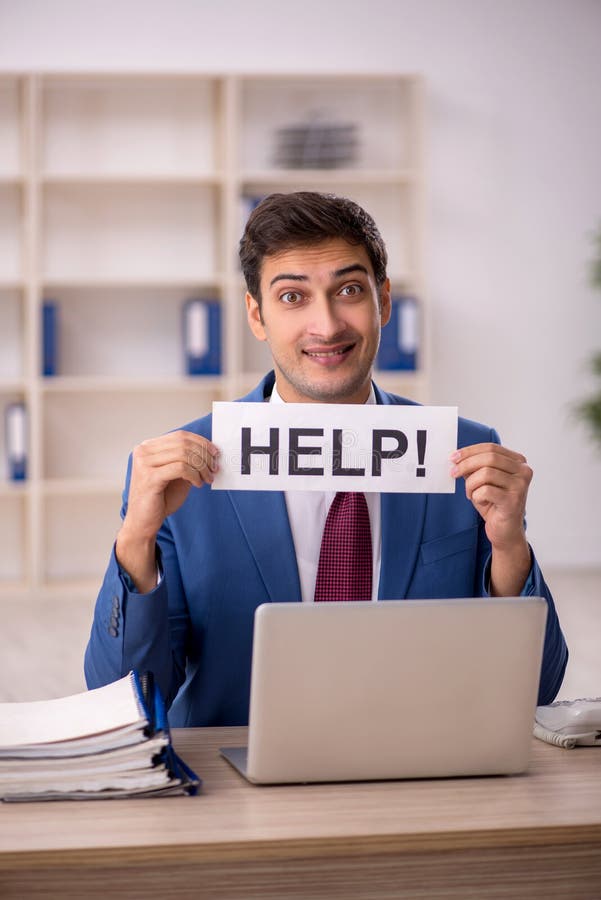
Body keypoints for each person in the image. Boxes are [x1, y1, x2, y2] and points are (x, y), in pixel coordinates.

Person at [85, 191, 568, 725]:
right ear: (257, 315)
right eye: (293, 297)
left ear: (384, 301)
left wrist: (510, 548)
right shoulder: (182, 476)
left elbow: (536, 692)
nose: (328, 325)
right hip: (235, 767)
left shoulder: (464, 458)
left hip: (419, 759)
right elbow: (122, 700)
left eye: (350, 290)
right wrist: (136, 540)